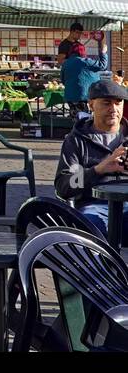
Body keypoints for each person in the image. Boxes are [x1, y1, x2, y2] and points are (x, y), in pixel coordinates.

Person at [55, 79, 128, 233]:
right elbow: (65, 187)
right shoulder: (76, 141)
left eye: (118, 103)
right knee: (90, 227)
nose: (114, 109)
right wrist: (98, 170)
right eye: (107, 103)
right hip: (95, 206)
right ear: (91, 105)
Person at [60, 31, 109, 114]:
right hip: (85, 96)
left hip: (70, 97)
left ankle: (77, 126)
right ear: (82, 52)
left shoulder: (66, 63)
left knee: (77, 119)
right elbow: (103, 65)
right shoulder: (86, 61)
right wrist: (103, 52)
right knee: (86, 120)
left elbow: (63, 80)